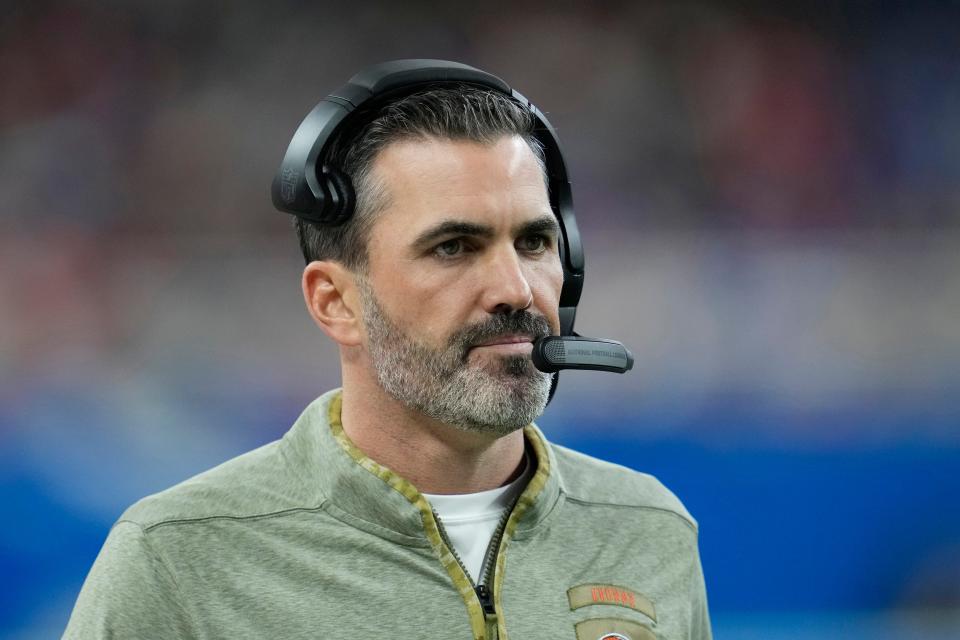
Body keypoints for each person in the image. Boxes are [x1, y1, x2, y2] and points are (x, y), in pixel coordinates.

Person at [64, 60, 711, 640]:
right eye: (453, 247)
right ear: (335, 303)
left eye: (536, 243)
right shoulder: (179, 558)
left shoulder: (649, 530)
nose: (515, 289)